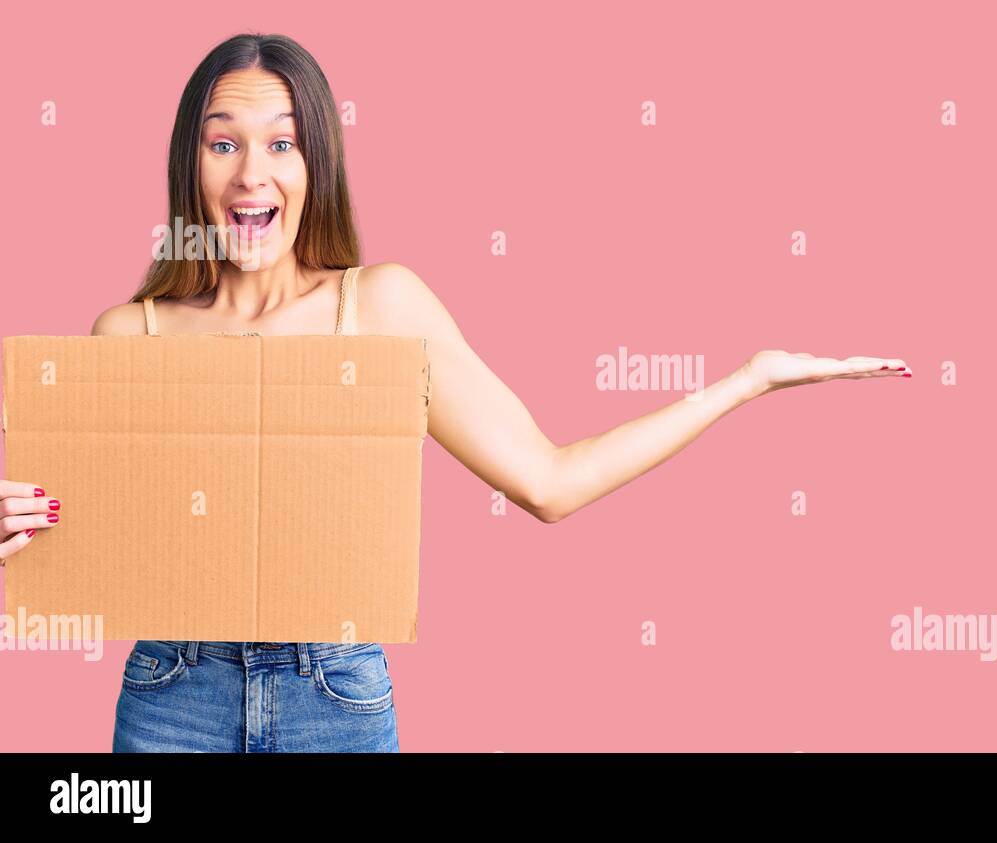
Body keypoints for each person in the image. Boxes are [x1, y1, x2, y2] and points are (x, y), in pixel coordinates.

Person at [0, 33, 910, 752]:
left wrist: (747, 380)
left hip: (335, 696)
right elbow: (79, 545)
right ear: (188, 163)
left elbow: (549, 483)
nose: (252, 173)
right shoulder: (131, 334)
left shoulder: (382, 306)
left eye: (282, 142)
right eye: (224, 143)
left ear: (316, 162)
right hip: (171, 696)